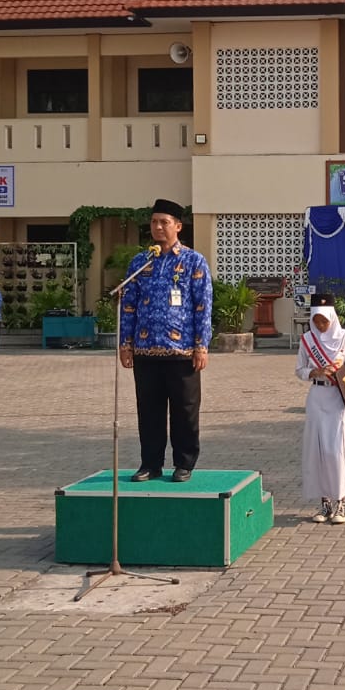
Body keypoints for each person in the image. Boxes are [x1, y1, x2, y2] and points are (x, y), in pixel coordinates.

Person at [119, 198, 213, 481]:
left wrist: (201, 345)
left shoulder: (193, 261)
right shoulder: (140, 262)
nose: (158, 227)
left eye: (164, 222)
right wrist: (126, 344)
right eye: (154, 222)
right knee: (149, 411)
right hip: (146, 351)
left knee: (185, 411)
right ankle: (150, 463)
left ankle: (184, 463)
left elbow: (203, 305)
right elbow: (128, 305)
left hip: (182, 351)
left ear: (178, 227)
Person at [295, 294, 345, 524]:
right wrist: (313, 373)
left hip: (339, 399)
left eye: (324, 320)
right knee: (318, 451)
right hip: (317, 397)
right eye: (316, 321)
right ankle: (324, 504)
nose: (320, 325)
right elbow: (299, 369)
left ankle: (341, 502)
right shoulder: (307, 340)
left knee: (336, 451)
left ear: (332, 318)